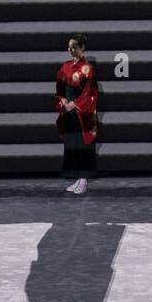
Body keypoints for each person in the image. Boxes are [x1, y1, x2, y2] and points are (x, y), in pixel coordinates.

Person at [56, 34, 99, 194]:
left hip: (82, 112)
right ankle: (76, 177)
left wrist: (74, 104)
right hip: (68, 109)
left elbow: (90, 93)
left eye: (74, 47)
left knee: (82, 144)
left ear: (82, 48)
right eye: (69, 47)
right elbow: (60, 86)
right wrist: (63, 101)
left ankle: (84, 179)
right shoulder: (65, 66)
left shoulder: (88, 69)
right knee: (72, 144)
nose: (71, 50)